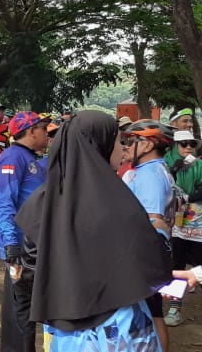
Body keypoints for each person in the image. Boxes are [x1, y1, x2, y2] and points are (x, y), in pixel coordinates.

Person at [15, 111, 170, 352]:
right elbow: (150, 261)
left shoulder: (41, 201)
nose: (123, 149)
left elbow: (31, 270)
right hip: (117, 326)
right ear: (99, 145)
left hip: (63, 328)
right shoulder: (117, 201)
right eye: (119, 141)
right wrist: (160, 233)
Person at [0, 111, 50, 352]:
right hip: (20, 247)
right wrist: (9, 243)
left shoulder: (32, 159)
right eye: (44, 130)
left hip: (35, 246)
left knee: (31, 307)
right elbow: (4, 202)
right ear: (31, 131)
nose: (47, 135)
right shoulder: (12, 157)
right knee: (19, 309)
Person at [120, 120, 175, 349]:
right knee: (153, 312)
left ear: (147, 145)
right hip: (153, 253)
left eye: (131, 141)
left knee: (152, 314)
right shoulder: (156, 169)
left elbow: (154, 221)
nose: (125, 146)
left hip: (144, 254)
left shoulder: (149, 175)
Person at [166, 130, 202, 326]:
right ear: (174, 146)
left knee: (199, 270)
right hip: (178, 229)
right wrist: (173, 171)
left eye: (192, 144)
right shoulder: (166, 166)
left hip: (200, 231)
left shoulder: (200, 166)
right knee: (177, 268)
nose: (188, 147)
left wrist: (191, 195)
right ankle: (174, 309)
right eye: (183, 144)